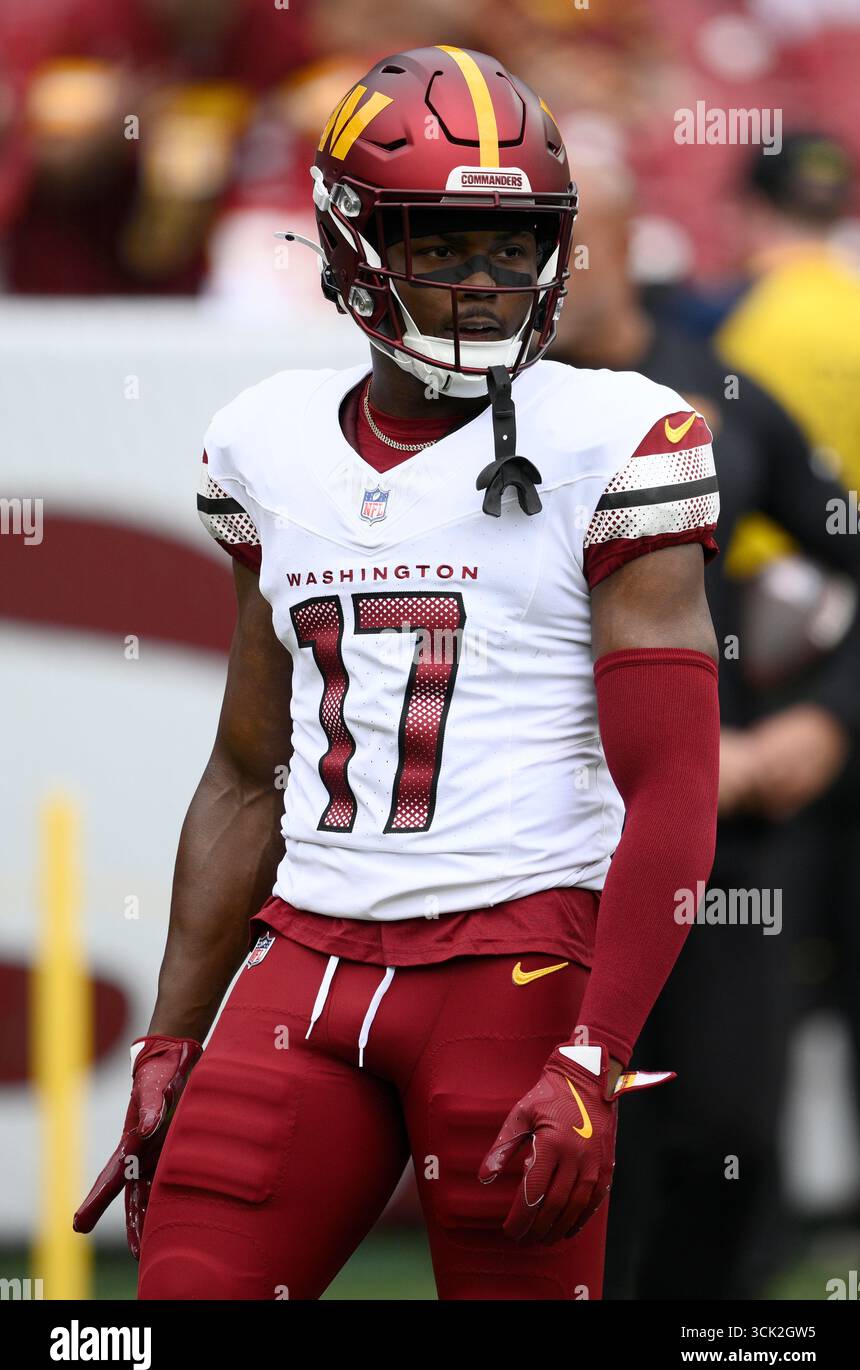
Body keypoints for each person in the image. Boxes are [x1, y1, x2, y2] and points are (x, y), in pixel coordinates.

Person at [73, 45, 720, 1301]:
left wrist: (594, 1056)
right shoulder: (262, 444)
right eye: (441, 243)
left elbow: (674, 793)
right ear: (352, 241)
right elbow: (250, 767)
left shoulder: (617, 438)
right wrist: (169, 1031)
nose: (485, 284)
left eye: (512, 245)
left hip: (518, 965)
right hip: (304, 958)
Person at [552, 154, 860, 1298]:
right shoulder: (482, 417)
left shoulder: (716, 393)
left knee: (727, 1126)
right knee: (576, 1144)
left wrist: (822, 722)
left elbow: (856, 554)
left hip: (715, 837)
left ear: (636, 239)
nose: (546, 267)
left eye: (573, 236)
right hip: (549, 844)